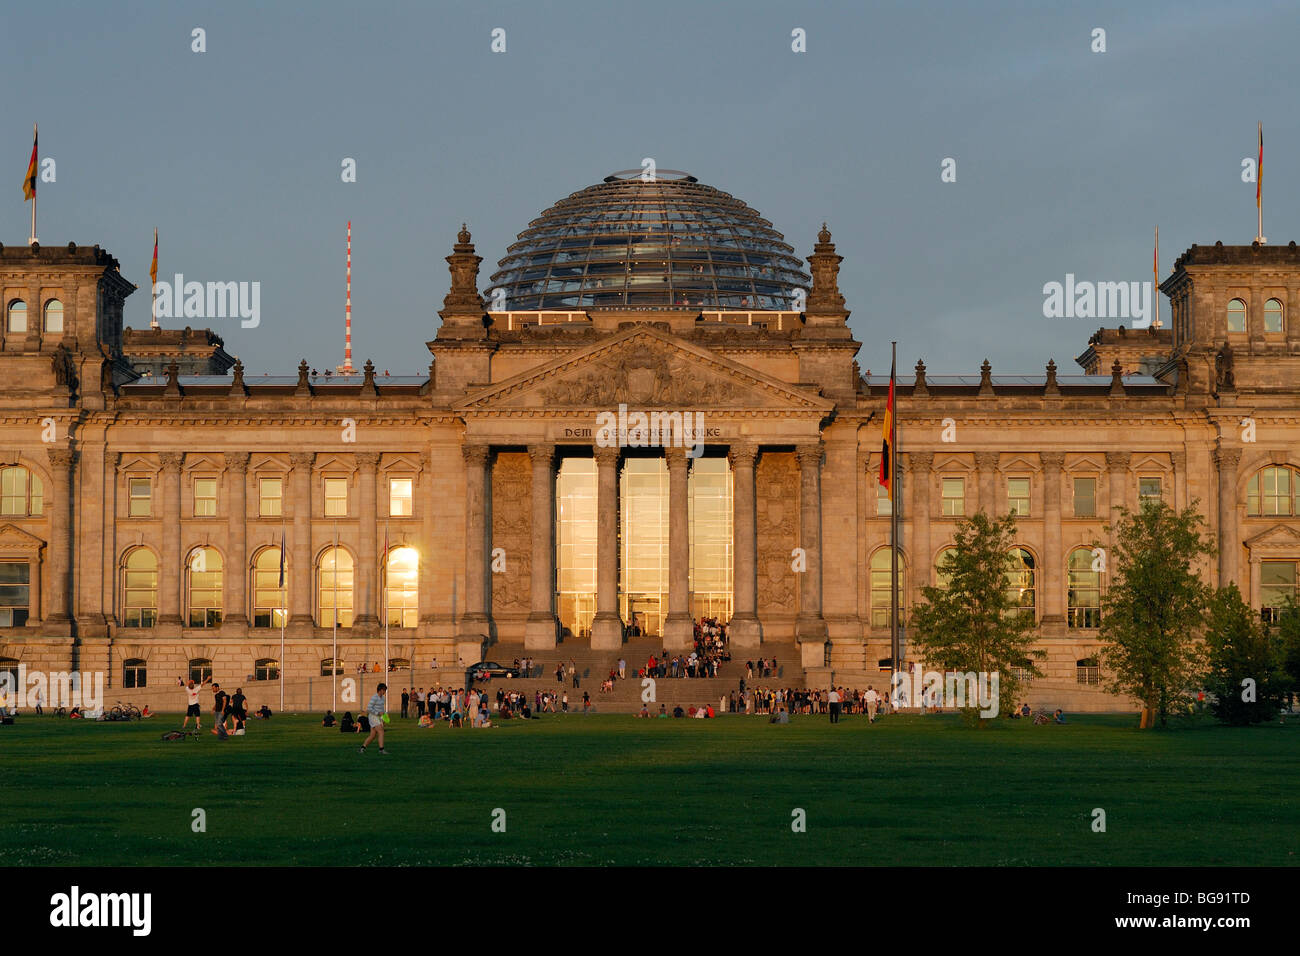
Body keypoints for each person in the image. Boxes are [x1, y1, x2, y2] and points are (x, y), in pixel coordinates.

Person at [359, 683, 389, 754]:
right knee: (381, 731)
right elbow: (369, 708)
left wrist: (384, 716)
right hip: (373, 717)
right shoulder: (374, 697)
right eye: (384, 690)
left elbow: (382, 708)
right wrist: (377, 713)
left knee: (372, 735)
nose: (385, 692)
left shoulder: (383, 698)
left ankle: (362, 748)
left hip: (378, 717)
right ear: (380, 690)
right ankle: (381, 749)